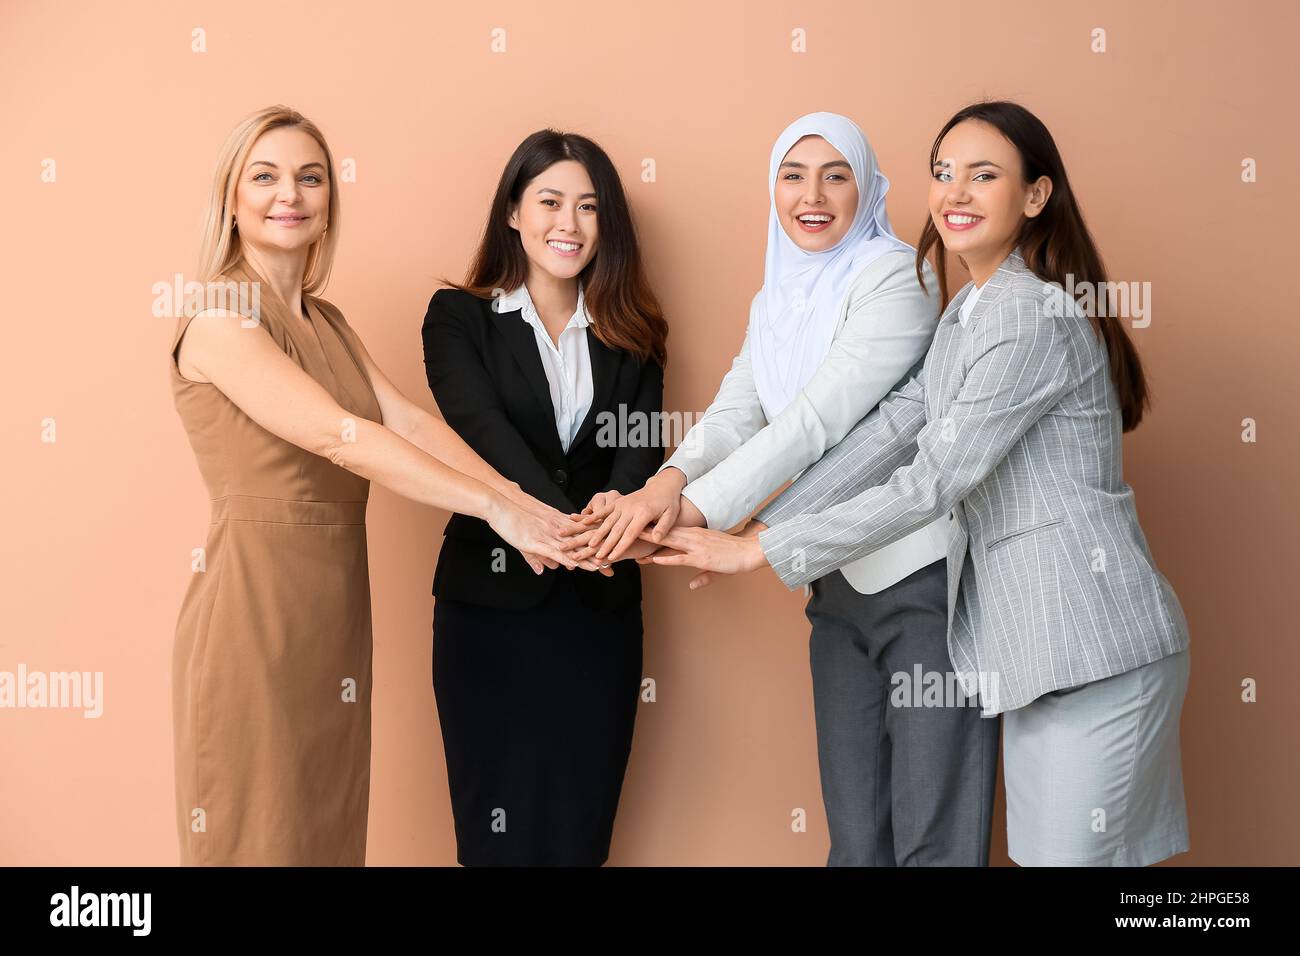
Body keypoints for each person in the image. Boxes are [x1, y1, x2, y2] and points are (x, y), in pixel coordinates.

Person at [640, 101, 1192, 867]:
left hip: (1092, 644)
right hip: (1032, 653)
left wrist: (760, 546)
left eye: (984, 175)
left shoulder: (1026, 317)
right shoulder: (969, 309)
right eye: (943, 174)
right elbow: (897, 429)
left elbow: (930, 480)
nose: (955, 193)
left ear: (1035, 196)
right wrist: (729, 523)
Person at [168, 105, 588, 865]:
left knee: (325, 836)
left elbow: (408, 422)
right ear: (231, 198)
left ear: (331, 197)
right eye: (263, 176)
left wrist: (526, 507)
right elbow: (344, 436)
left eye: (310, 176)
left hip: (332, 619)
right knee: (257, 838)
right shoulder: (219, 316)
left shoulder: (326, 320)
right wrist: (497, 508)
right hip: (251, 616)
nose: (287, 193)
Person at [574, 112, 997, 866]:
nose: (814, 194)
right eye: (793, 174)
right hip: (833, 584)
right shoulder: (774, 300)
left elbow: (811, 422)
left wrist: (702, 516)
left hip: (921, 584)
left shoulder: (900, 276)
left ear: (867, 188)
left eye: (837, 175)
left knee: (932, 837)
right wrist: (659, 490)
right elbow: (739, 412)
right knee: (856, 836)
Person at [422, 129, 668, 866]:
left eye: (589, 207)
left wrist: (611, 519)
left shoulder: (637, 333)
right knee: (492, 835)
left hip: (598, 613)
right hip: (488, 613)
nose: (569, 224)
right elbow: (480, 430)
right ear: (513, 213)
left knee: (577, 835)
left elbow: (638, 452)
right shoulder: (458, 317)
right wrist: (562, 525)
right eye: (550, 202)